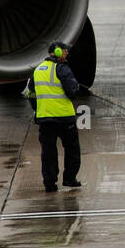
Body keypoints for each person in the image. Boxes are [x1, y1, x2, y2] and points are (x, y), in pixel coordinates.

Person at [27, 40, 82, 192]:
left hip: (45, 119)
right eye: (65, 51)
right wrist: (75, 87)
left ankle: (50, 183)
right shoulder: (63, 69)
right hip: (65, 118)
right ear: (57, 52)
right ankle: (70, 179)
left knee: (48, 153)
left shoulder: (37, 70)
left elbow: (30, 93)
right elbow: (71, 91)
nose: (67, 53)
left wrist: (39, 109)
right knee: (72, 150)